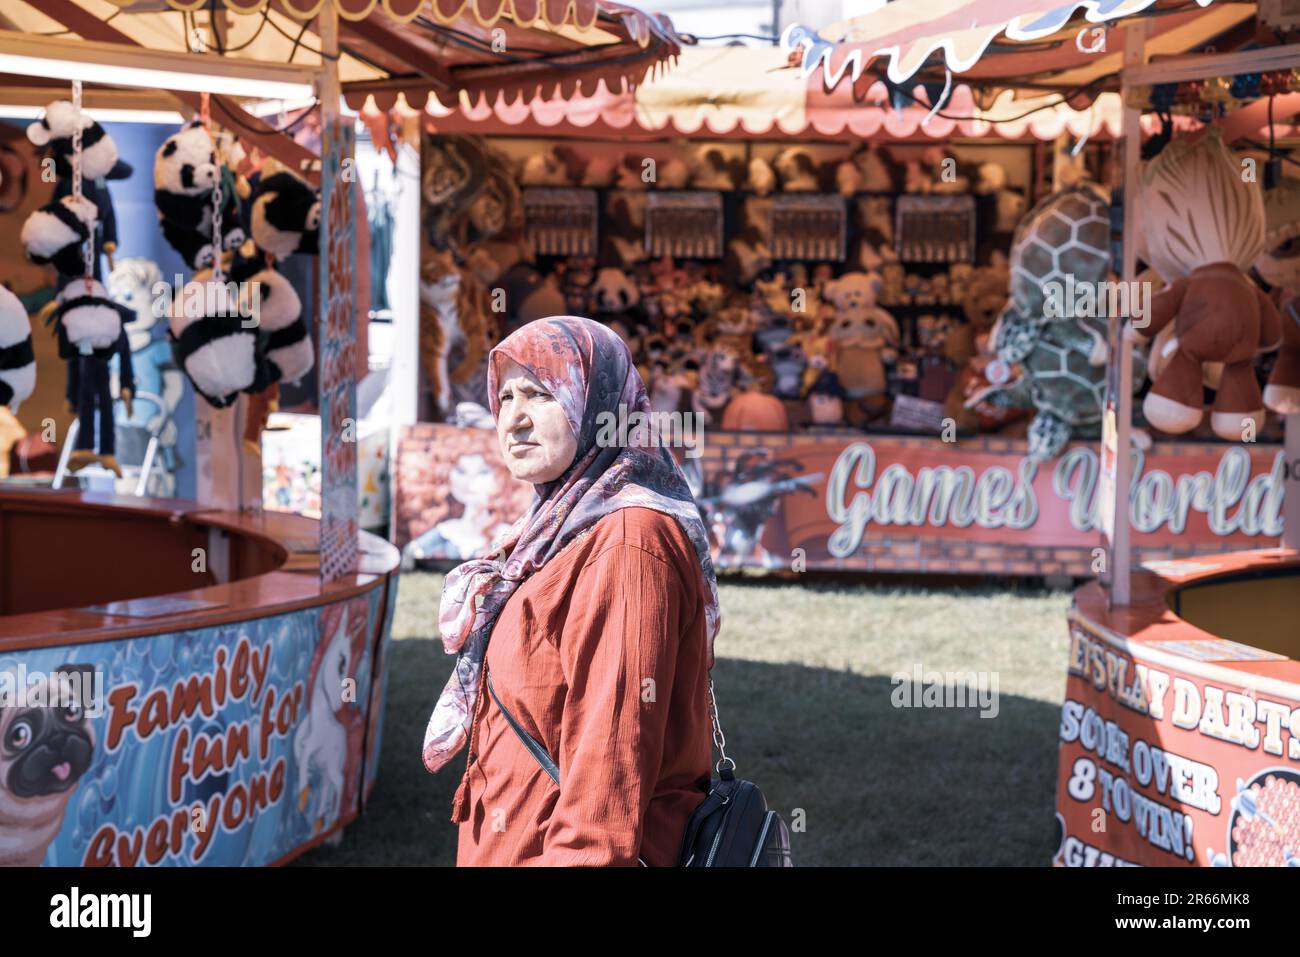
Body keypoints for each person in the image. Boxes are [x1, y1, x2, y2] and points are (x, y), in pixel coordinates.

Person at [421, 315, 721, 866]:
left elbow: (610, 771)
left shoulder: (628, 543)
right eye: (505, 396)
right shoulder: (556, 529)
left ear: (599, 403)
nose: (514, 419)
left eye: (539, 393)